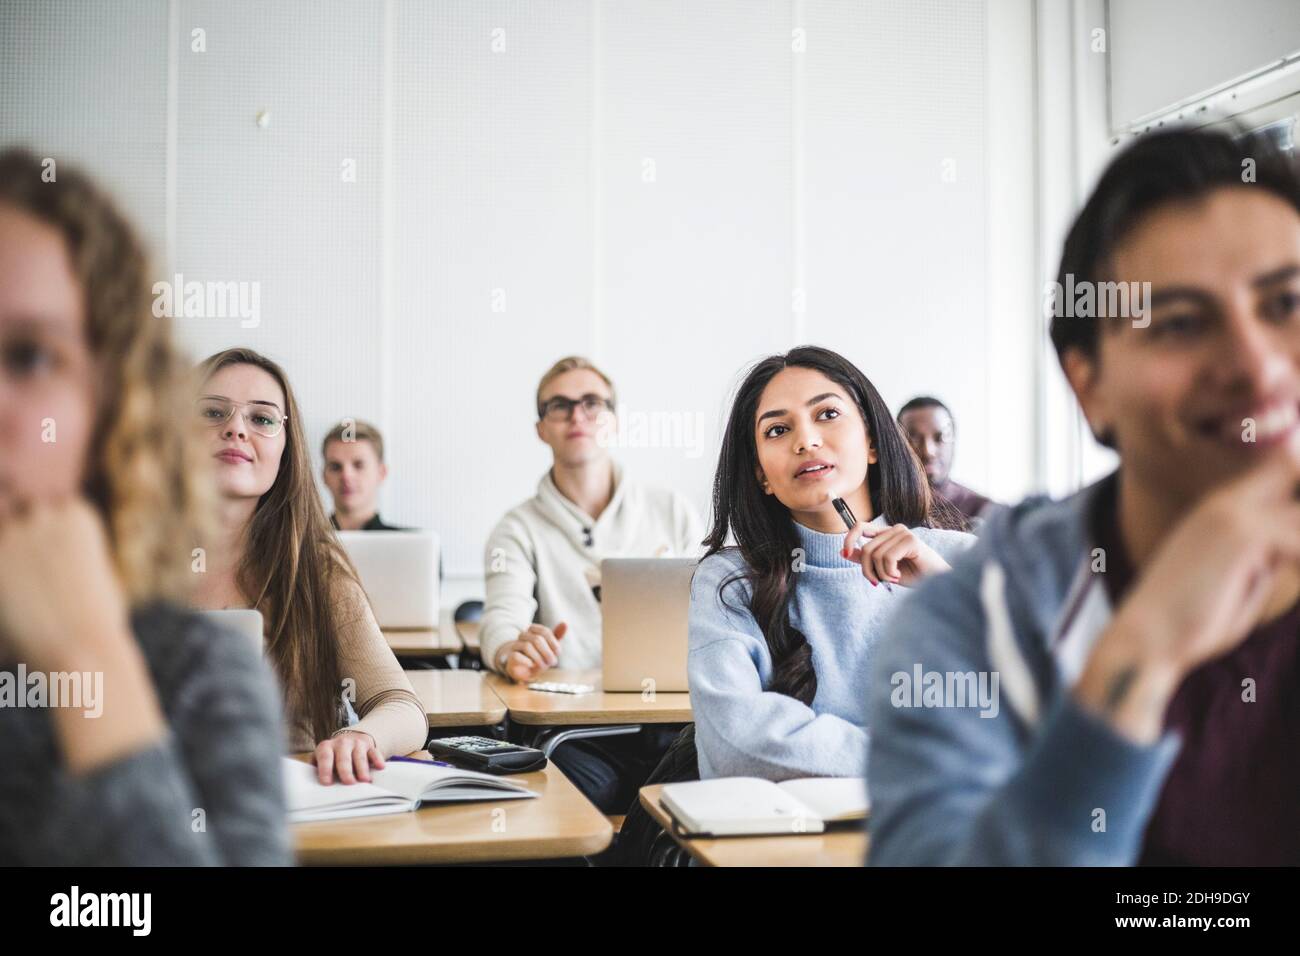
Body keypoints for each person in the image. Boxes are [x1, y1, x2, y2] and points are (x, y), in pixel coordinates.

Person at [868, 126, 1300, 866]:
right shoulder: (972, 624)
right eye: (1181, 323)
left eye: (1286, 303)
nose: (1256, 367)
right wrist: (1141, 653)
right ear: (1088, 384)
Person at [0, 149, 290, 864]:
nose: (237, 433)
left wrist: (88, 662)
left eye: (32, 357)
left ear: (114, 405)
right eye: (217, 413)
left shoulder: (198, 672)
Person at [690, 346, 973, 780]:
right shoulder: (730, 583)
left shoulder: (957, 559)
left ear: (873, 442)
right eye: (778, 430)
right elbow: (738, 746)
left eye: (827, 415)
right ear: (762, 475)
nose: (806, 440)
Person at [193, 348, 428, 784]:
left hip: (293, 812)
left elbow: (402, 707)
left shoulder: (315, 569)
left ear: (286, 448)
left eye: (261, 419)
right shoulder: (123, 563)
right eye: (212, 412)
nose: (235, 429)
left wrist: (361, 737)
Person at [481, 355, 702, 812]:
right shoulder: (517, 527)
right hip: (579, 731)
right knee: (577, 794)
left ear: (613, 421)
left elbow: (714, 613)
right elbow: (501, 619)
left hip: (674, 721)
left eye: (591, 403)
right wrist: (509, 651)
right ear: (541, 427)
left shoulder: (670, 508)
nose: (577, 415)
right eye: (559, 405)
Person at [897, 396, 996, 521]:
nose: (928, 451)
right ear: (896, 445)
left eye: (940, 437)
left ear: (954, 442)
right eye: (914, 438)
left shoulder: (986, 512)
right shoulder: (878, 508)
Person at [322, 419, 404, 531]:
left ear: (381, 473)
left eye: (359, 465)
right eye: (335, 467)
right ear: (324, 476)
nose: (346, 476)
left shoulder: (414, 544)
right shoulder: (298, 543)